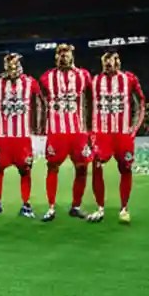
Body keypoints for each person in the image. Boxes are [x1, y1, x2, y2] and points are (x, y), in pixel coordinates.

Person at [86, 51, 144, 223]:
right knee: (97, 164)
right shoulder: (94, 81)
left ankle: (124, 208)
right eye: (105, 63)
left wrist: (134, 128)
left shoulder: (129, 79)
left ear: (118, 63)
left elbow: (140, 101)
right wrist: (89, 131)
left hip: (123, 134)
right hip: (102, 134)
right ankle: (100, 208)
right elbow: (86, 105)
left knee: (125, 169)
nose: (108, 66)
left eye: (111, 63)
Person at [40, 44, 93, 221]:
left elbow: (90, 101)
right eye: (60, 54)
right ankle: (51, 207)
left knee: (82, 168)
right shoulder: (47, 77)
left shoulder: (84, 75)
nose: (63, 57)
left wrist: (91, 129)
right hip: (56, 132)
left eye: (66, 53)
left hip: (78, 131)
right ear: (56, 57)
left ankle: (76, 206)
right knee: (52, 167)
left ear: (72, 55)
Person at [0, 53, 40, 218]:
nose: (13, 68)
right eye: (9, 65)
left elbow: (39, 103)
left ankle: (26, 205)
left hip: (23, 138)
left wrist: (38, 130)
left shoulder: (30, 82)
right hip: (2, 138)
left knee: (26, 172)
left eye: (15, 64)